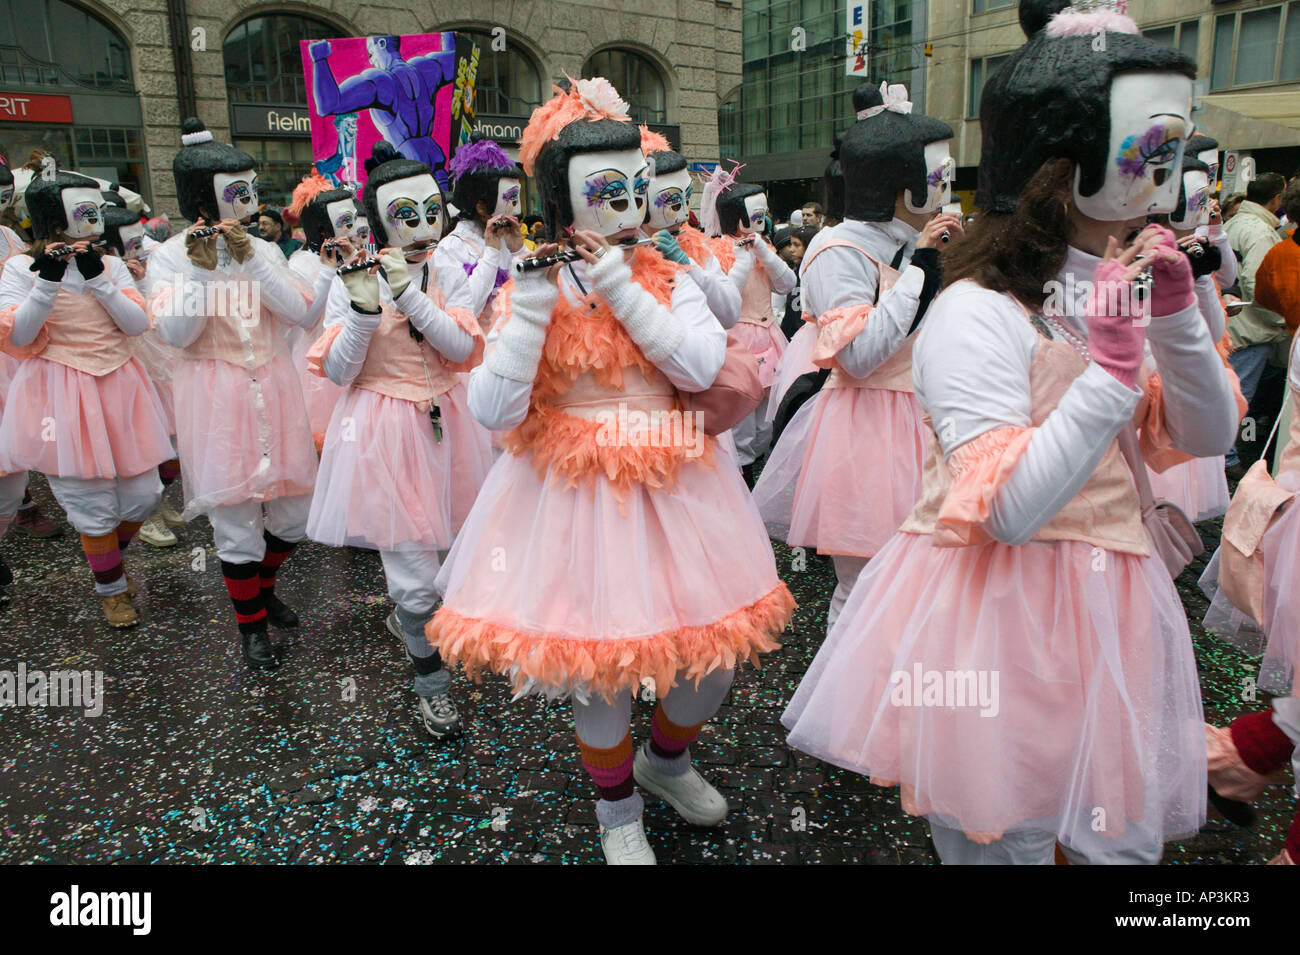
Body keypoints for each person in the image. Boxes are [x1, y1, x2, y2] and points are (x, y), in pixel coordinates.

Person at [783, 0, 1236, 864]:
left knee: (1111, 842)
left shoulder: (1115, 278)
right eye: (1148, 146)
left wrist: (1174, 319)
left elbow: (1209, 432)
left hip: (1114, 605)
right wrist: (1108, 368)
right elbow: (1008, 512)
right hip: (997, 615)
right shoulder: (974, 310)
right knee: (1009, 840)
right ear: (1063, 162)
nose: (1161, 171)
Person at [425, 77, 794, 865]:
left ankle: (666, 762)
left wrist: (626, 283)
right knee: (601, 669)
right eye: (607, 190)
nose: (628, 204)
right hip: (572, 493)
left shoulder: (668, 269)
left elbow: (696, 360)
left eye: (635, 185)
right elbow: (491, 408)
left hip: (679, 480)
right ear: (564, 198)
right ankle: (616, 807)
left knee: (712, 662)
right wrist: (527, 307)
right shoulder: (533, 282)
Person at [753, 82, 957, 632]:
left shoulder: (915, 241)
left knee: (923, 584)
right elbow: (860, 356)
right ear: (902, 185)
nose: (947, 186)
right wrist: (924, 269)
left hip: (925, 424)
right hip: (869, 429)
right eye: (938, 175)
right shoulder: (838, 249)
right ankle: (843, 711)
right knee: (864, 584)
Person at [306, 140, 491, 738]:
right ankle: (431, 687)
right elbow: (338, 373)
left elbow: (461, 350)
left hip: (452, 427)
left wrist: (408, 294)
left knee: (458, 555)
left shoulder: (448, 270)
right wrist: (363, 311)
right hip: (384, 432)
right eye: (404, 216)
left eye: (429, 212)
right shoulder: (347, 277)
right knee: (414, 582)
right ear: (380, 220)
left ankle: (428, 627)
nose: (420, 227)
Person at [148, 119, 317, 671]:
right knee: (236, 520)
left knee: (294, 515)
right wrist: (201, 273)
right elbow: (175, 334)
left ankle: (262, 591)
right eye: (235, 190)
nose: (247, 201)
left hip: (273, 382)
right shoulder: (169, 256)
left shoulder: (262, 247)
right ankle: (251, 628)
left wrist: (251, 260)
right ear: (205, 196)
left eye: (250, 189)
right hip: (216, 395)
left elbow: (300, 312)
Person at [0, 170, 172, 627]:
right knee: (91, 504)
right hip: (60, 391)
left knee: (144, 496)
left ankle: (108, 563)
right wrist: (48, 281)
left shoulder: (111, 265)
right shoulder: (19, 268)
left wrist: (99, 279)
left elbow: (136, 325)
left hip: (121, 386)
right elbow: (18, 333)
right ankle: (112, 590)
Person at [702, 168, 797, 484]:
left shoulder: (764, 246)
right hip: (737, 339)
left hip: (769, 335)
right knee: (741, 414)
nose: (761, 220)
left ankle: (753, 466)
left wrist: (763, 253)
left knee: (764, 420)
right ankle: (741, 477)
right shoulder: (716, 251)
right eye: (755, 215)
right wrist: (744, 259)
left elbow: (786, 284)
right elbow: (723, 301)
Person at [283, 169, 361, 452]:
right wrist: (328, 273)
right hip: (317, 371)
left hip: (352, 359)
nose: (353, 229)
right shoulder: (301, 264)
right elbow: (305, 319)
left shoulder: (355, 256)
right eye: (346, 222)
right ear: (323, 229)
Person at [1225, 172, 1289, 477]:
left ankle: (1224, 454)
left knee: (1231, 393)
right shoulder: (1262, 232)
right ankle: (1225, 457)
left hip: (1233, 323)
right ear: (1275, 199)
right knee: (1240, 397)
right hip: (1250, 328)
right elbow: (1256, 281)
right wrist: (1281, 318)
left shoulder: (1236, 221)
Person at [433, 137, 525, 335]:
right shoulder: (451, 248)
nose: (517, 210)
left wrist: (519, 250)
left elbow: (533, 294)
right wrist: (491, 253)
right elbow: (466, 311)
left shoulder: (506, 241)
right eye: (510, 199)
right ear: (481, 207)